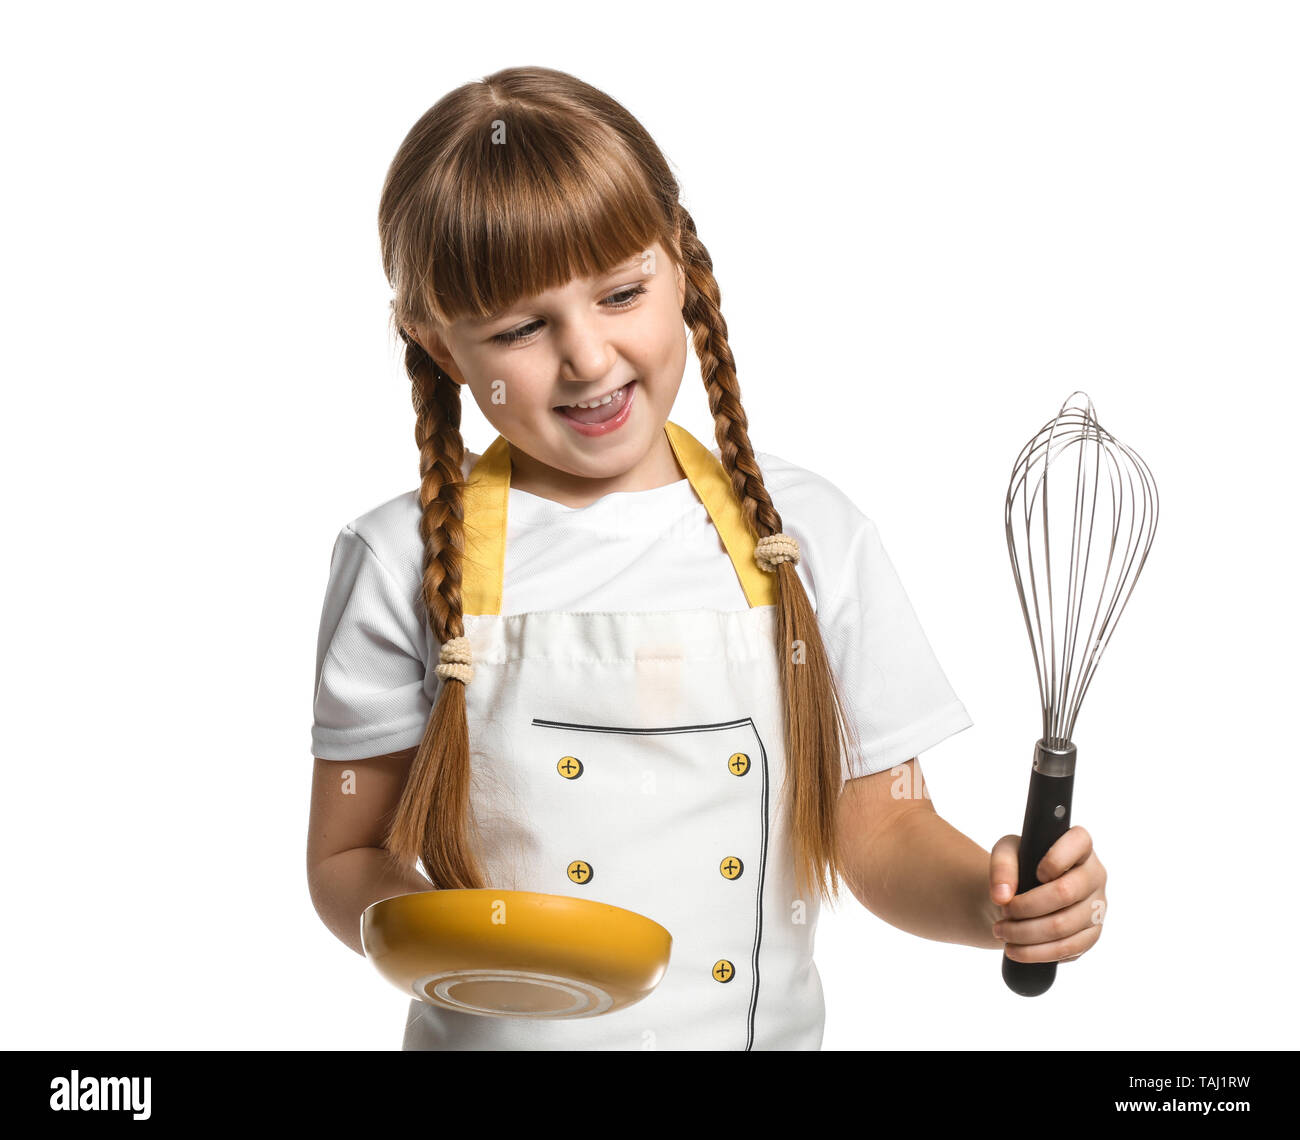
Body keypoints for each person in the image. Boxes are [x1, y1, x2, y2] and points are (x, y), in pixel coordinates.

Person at [306, 66, 1108, 1050]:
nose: (588, 357)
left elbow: (884, 830)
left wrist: (994, 904)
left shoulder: (810, 534)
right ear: (438, 343)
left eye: (621, 293)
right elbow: (348, 853)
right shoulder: (395, 560)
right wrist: (458, 947)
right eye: (521, 327)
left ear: (681, 268)